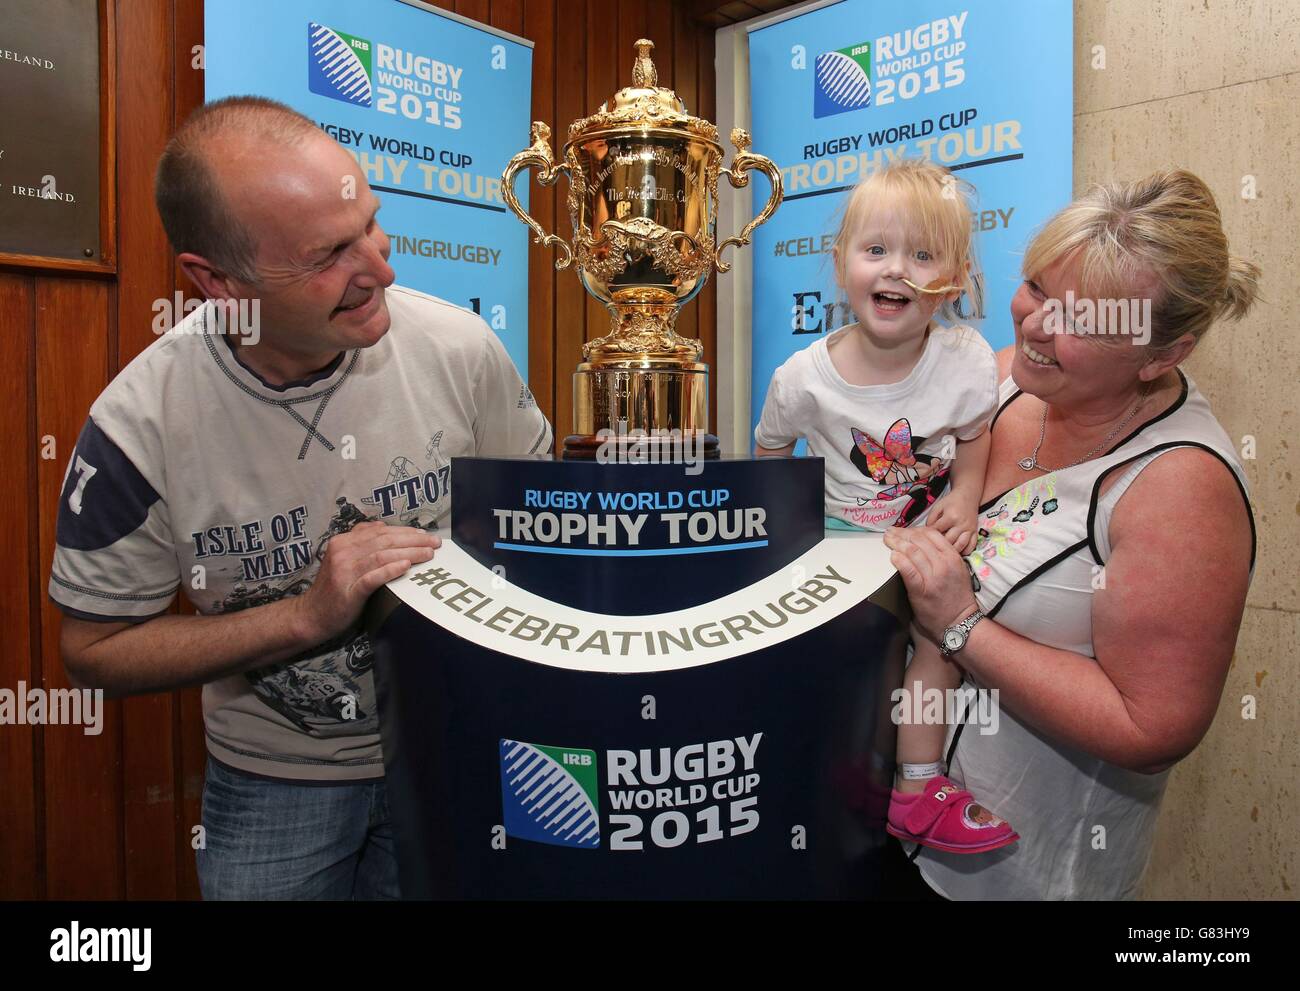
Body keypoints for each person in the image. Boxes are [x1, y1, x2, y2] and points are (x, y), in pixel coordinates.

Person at [48, 96, 554, 899]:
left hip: (454, 749)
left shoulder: (461, 347)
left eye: (371, 226)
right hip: (271, 787)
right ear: (217, 281)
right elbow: (94, 649)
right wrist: (302, 617)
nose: (383, 268)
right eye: (329, 255)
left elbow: (535, 524)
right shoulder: (137, 426)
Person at [882, 168, 1258, 899]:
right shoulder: (1004, 379)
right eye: (1038, 287)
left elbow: (1150, 727)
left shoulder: (1181, 484)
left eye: (1084, 320)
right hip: (893, 841)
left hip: (1016, 879)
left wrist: (961, 624)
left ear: (1161, 356)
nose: (1037, 325)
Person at [754, 158, 1018, 855]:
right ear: (842, 265)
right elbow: (771, 452)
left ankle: (919, 784)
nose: (896, 269)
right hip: (839, 542)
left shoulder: (964, 359)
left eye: (922, 254)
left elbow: (974, 434)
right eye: (876, 250)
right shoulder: (801, 379)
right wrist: (786, 532)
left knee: (942, 637)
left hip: (924, 531)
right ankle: (828, 772)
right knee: (847, 655)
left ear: (953, 278)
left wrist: (964, 495)